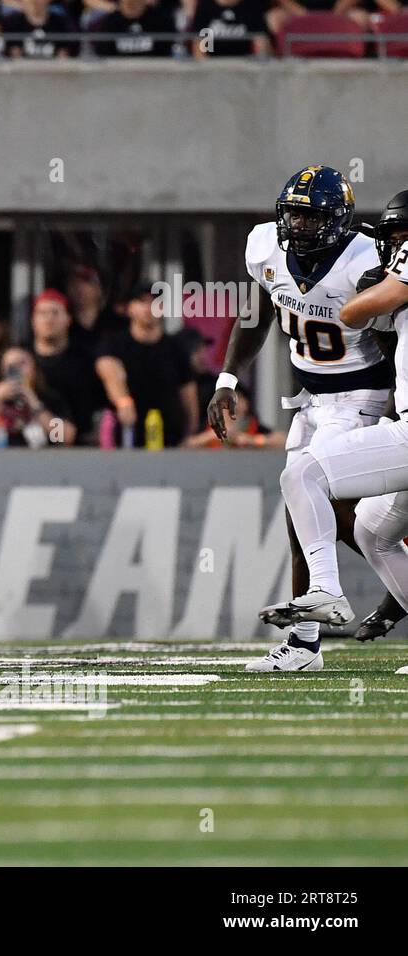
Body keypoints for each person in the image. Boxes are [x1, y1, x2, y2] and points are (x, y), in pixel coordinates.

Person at [209, 168, 402, 672]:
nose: (297, 225)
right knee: (303, 517)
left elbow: (390, 341)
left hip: (361, 394)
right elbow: (257, 313)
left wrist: (400, 410)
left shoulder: (365, 259)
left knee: (335, 511)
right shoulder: (267, 247)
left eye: (310, 216)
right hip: (311, 398)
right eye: (292, 213)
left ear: (338, 220)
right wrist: (227, 380)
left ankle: (358, 599)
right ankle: (304, 643)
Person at [263, 190, 408, 673]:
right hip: (356, 411)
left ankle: (326, 596)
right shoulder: (267, 249)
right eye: (389, 236)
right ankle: (313, 632)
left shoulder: (389, 261)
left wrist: (372, 293)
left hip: (366, 407)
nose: (394, 245)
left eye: (399, 236)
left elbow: (352, 314)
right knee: (373, 532)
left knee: (305, 480)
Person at [95, 282, 197, 449]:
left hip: (170, 441)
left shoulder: (175, 348)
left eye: (155, 302)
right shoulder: (115, 344)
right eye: (142, 302)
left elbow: (188, 393)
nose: (149, 308)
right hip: (127, 438)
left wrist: (190, 431)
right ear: (130, 308)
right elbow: (109, 370)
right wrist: (123, 401)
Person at [29, 288, 100, 437]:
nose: (49, 319)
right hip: (25, 446)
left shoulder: (84, 361)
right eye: (42, 313)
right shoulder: (22, 358)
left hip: (78, 445)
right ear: (33, 320)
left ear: (68, 319)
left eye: (55, 313)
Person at [0, 347, 76, 447]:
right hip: (0, 459)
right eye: (10, 365)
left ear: (33, 368)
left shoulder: (49, 398)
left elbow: (64, 438)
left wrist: (34, 403)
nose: (16, 369)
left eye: (21, 363)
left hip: (41, 460)